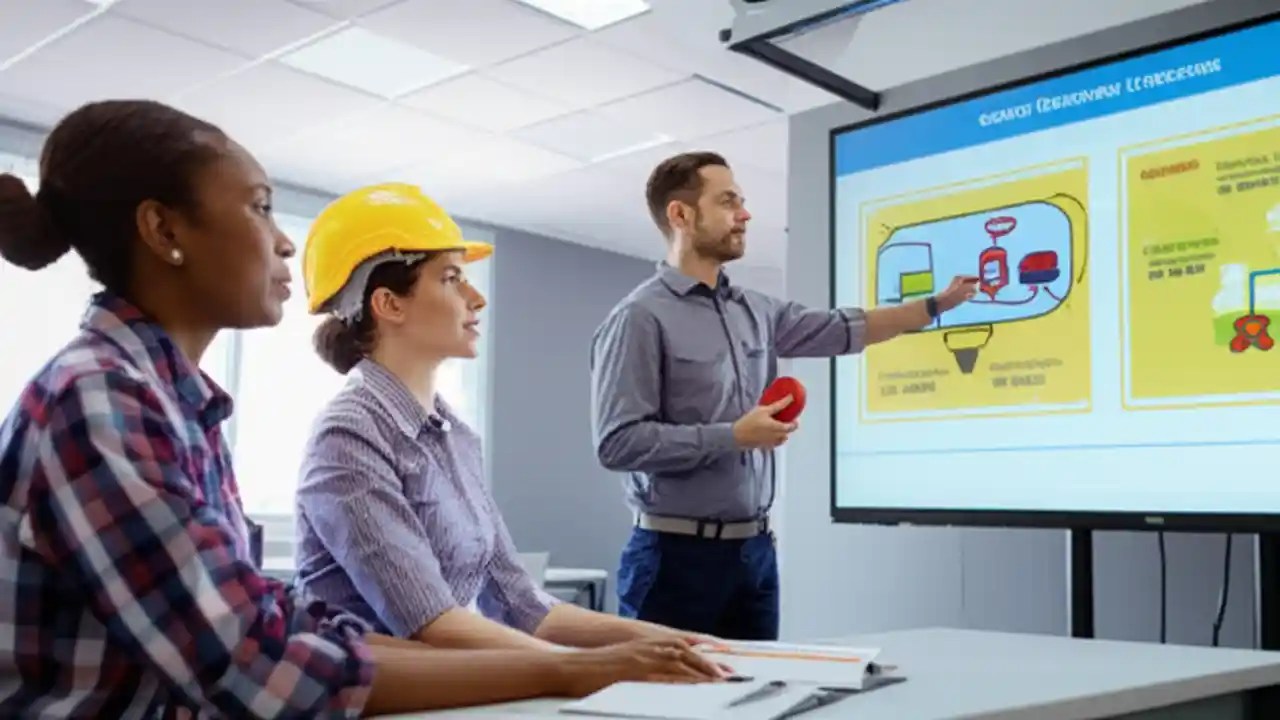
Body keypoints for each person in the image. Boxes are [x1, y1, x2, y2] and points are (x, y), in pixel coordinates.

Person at [0, 101, 721, 719]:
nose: (284, 239)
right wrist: (574, 671)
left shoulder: (171, 402)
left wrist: (644, 650)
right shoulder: (102, 400)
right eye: (258, 207)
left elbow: (280, 621)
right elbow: (257, 667)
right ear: (163, 231)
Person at [294, 183, 725, 657]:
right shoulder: (348, 435)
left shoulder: (455, 436)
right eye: (452, 278)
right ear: (389, 304)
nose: (476, 298)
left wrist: (679, 641)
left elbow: (522, 605)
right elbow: (432, 624)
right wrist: (598, 666)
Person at [589, 151, 978, 641]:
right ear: (680, 215)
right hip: (673, 559)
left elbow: (842, 329)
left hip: (754, 555)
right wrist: (731, 436)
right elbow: (618, 443)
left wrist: (934, 306)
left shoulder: (756, 310)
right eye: (728, 201)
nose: (745, 214)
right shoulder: (638, 318)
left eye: (743, 201)